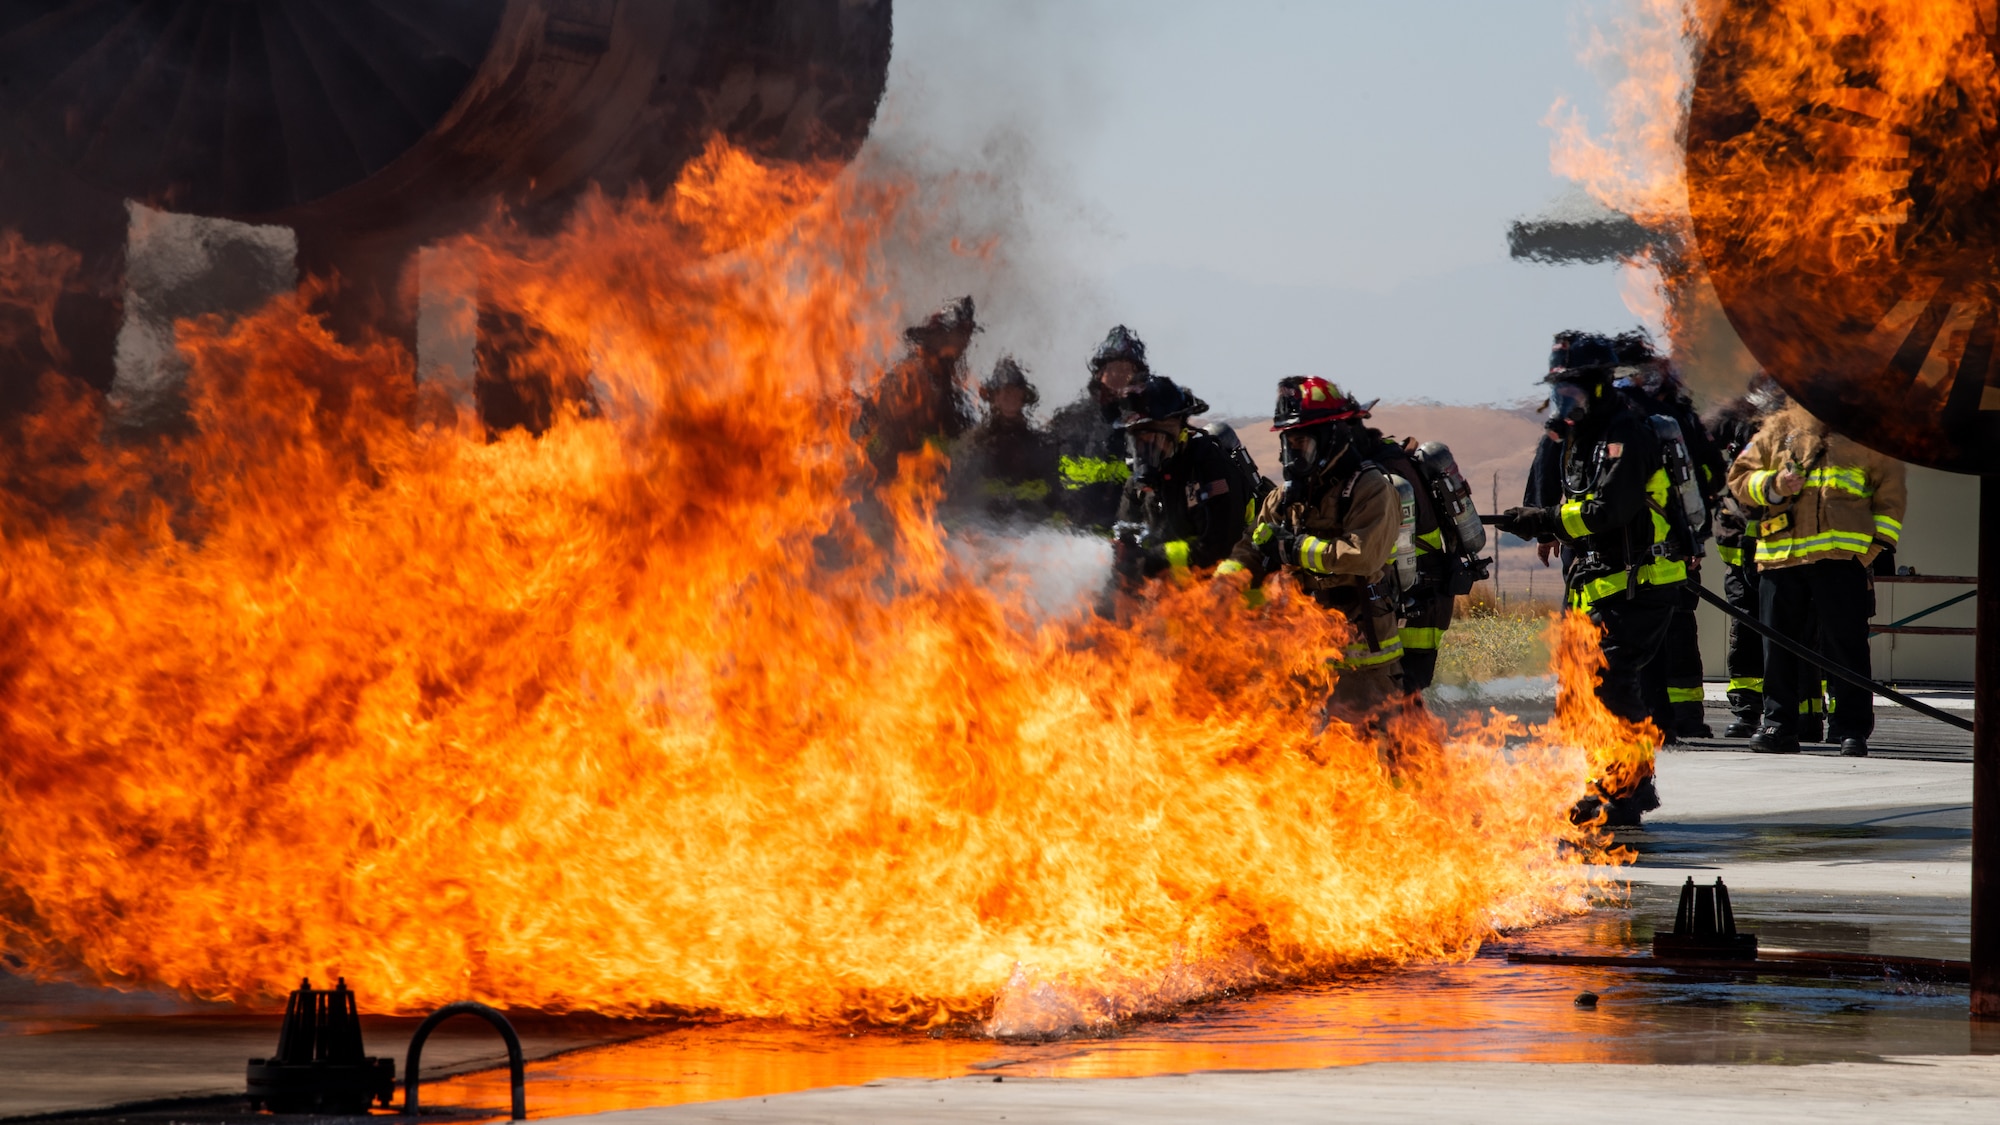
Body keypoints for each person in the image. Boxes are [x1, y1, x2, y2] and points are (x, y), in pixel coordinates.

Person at [1493, 331, 1688, 824]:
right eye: (1560, 393)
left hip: (1639, 584)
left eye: (1573, 393)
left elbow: (1610, 509)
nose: (1564, 404)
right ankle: (1623, 785)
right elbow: (1566, 492)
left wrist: (1547, 520)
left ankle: (1620, 795)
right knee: (1579, 690)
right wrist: (1542, 515)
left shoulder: (1627, 433)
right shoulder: (1580, 436)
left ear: (1600, 387)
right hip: (1598, 581)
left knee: (1611, 687)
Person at [1216, 377, 1404, 720]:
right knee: (1292, 750)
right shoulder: (1284, 498)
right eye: (1289, 443)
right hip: (1299, 649)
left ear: (1330, 439)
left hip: (1360, 654)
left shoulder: (1370, 489)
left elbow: (1363, 556)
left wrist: (1294, 548)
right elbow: (1252, 546)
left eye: (1301, 442)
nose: (1293, 453)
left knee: (1365, 754)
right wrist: (1225, 582)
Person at [1727, 397, 1906, 757]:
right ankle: (1779, 726)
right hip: (1781, 558)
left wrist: (1868, 552)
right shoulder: (1775, 429)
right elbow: (1739, 478)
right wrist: (1775, 485)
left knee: (1847, 647)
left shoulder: (1868, 433)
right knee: (1777, 649)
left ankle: (1851, 730)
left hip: (1840, 561)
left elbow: (1891, 496)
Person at [1613, 331, 1727, 740]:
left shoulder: (1615, 418)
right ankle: (1683, 718)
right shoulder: (1679, 417)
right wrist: (1696, 537)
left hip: (1632, 552)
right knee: (1675, 631)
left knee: (1636, 635)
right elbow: (1710, 477)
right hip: (1675, 547)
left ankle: (1651, 720)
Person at [1107, 376, 1253, 589]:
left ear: (1177, 430)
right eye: (1137, 440)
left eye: (1153, 439)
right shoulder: (1138, 486)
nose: (1145, 451)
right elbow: (1127, 539)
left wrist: (1155, 558)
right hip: (1178, 595)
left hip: (1237, 595)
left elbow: (1219, 548)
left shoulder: (1209, 467)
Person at [1706, 374, 1784, 738]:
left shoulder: (1794, 428)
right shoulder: (1733, 422)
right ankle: (1747, 710)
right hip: (1738, 552)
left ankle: (1801, 715)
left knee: (1789, 633)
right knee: (1745, 632)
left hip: (1783, 554)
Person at [863, 296, 978, 479]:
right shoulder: (909, 376)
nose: (961, 345)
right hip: (884, 480)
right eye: (955, 336)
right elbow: (882, 427)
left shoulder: (947, 386)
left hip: (923, 486)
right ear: (936, 338)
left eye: (963, 338)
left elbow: (954, 433)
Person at [1049, 325, 1150, 532]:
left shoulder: (1149, 425)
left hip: (1129, 541)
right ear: (1100, 374)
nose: (1119, 376)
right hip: (1070, 541)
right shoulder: (1068, 421)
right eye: (1113, 369)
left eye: (1127, 370)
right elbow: (1048, 482)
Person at [946, 355, 1062, 525]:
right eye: (1003, 392)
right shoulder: (975, 444)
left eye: (1015, 391)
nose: (1010, 397)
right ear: (994, 398)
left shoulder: (1039, 445)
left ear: (1023, 397)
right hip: (981, 531)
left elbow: (1053, 497)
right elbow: (956, 495)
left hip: (1028, 533)